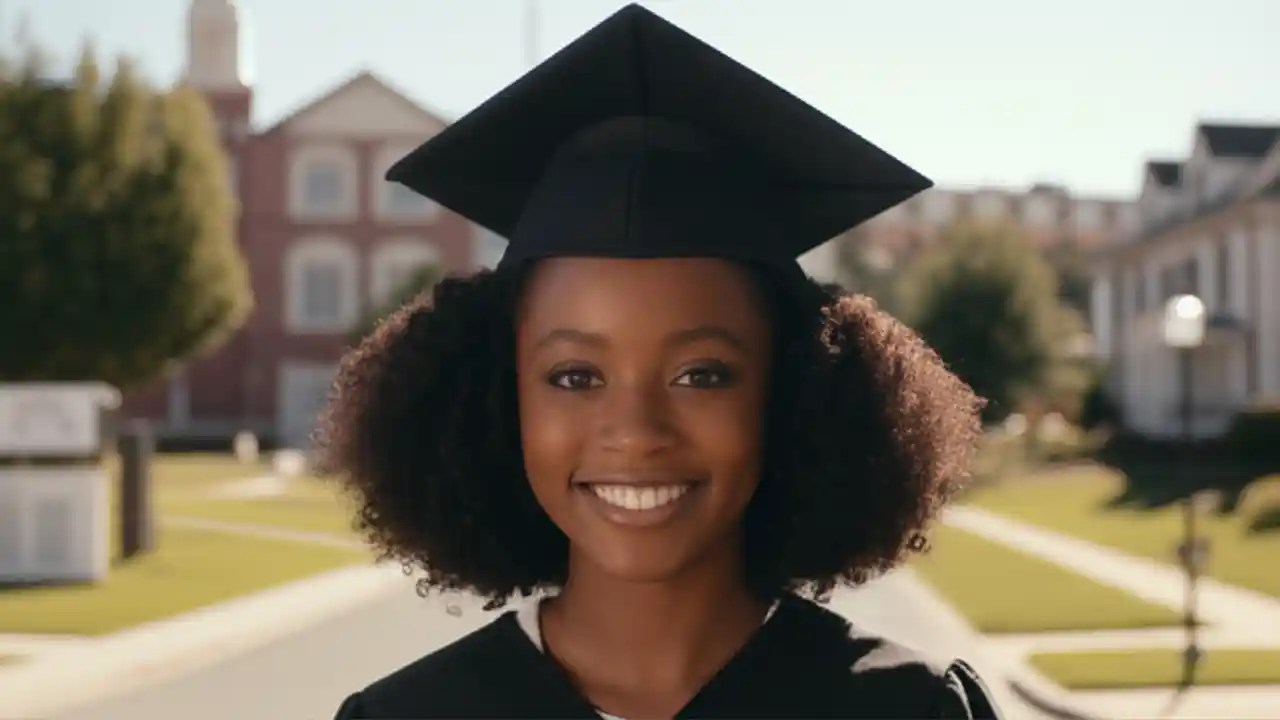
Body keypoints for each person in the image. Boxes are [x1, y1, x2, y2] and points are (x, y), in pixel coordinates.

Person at [323, 4, 999, 718]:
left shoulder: (908, 709)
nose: (637, 429)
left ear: (794, 394)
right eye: (575, 377)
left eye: (701, 374)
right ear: (496, 400)